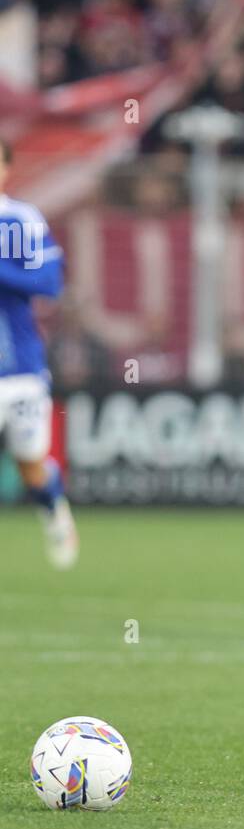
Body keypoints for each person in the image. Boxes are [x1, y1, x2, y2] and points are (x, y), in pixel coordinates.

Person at [0, 138, 78, 568]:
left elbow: (49, 283)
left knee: (31, 464)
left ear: (7, 169)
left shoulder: (21, 220)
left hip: (20, 369)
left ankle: (54, 509)